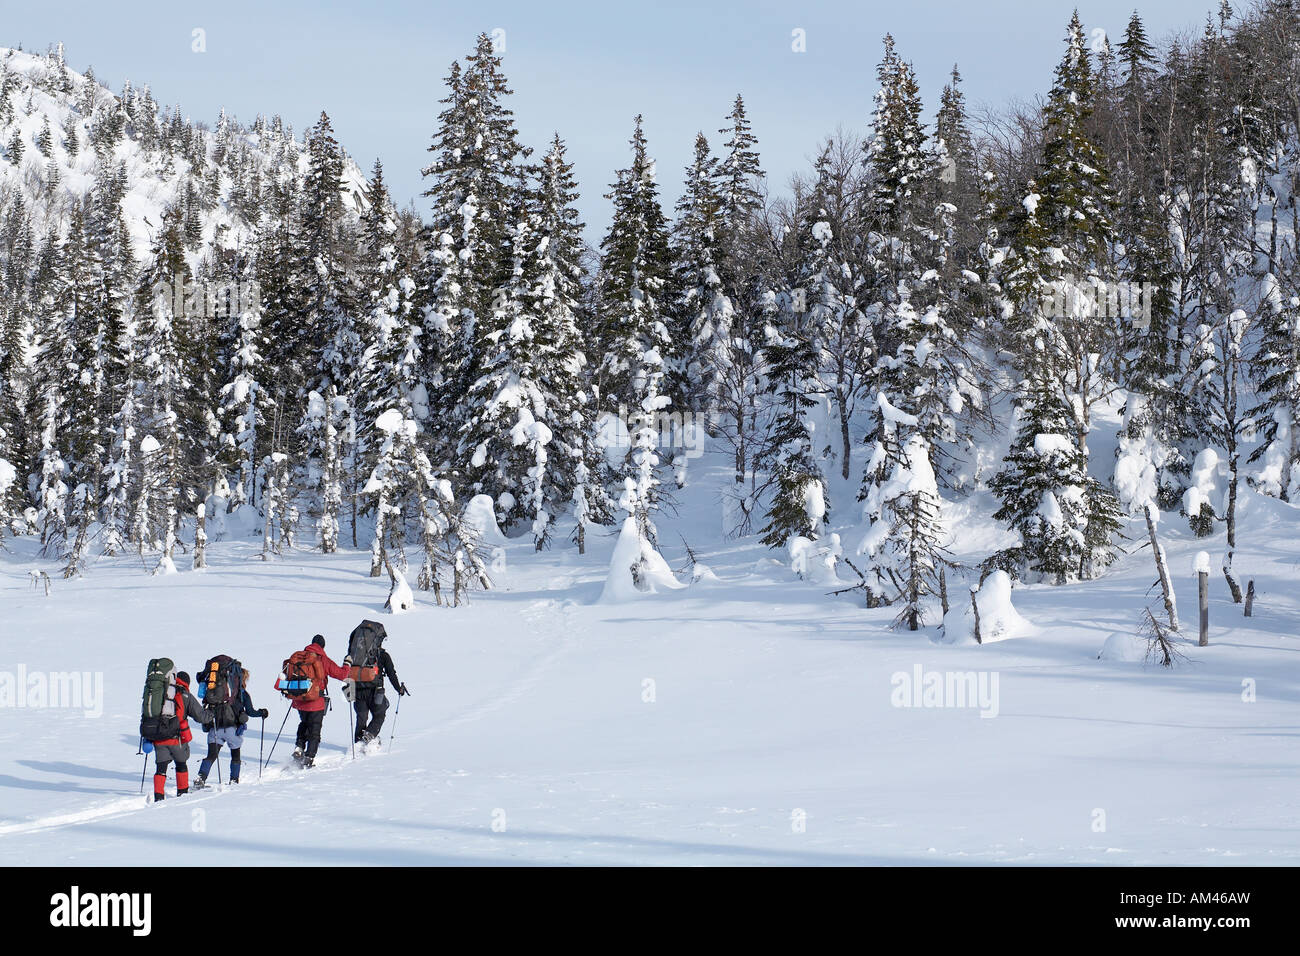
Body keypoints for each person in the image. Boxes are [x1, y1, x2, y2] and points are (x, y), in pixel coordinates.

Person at [196, 667, 269, 789]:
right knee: (235, 756)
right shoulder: (242, 693)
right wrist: (262, 713)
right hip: (233, 730)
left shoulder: (215, 693)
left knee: (212, 755)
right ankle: (234, 781)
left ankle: (200, 778)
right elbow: (250, 711)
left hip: (215, 728)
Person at [146, 671, 207, 802]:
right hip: (177, 739)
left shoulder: (161, 693)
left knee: (161, 768)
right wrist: (211, 714)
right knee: (181, 765)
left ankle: (158, 797)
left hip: (160, 738)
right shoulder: (186, 695)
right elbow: (200, 716)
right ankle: (182, 794)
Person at [291, 635, 350, 768]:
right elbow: (342, 675)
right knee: (315, 729)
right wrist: (347, 664)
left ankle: (299, 748)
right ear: (322, 646)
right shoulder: (322, 659)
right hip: (316, 700)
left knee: (304, 723)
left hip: (300, 699)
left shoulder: (300, 657)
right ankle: (309, 758)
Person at [345, 634, 408, 746]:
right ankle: (369, 735)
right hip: (375, 692)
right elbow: (391, 674)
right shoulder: (382, 655)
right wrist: (399, 689)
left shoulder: (355, 655)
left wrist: (348, 692)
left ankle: (358, 744)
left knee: (361, 718)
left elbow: (346, 673)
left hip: (358, 692)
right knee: (379, 715)